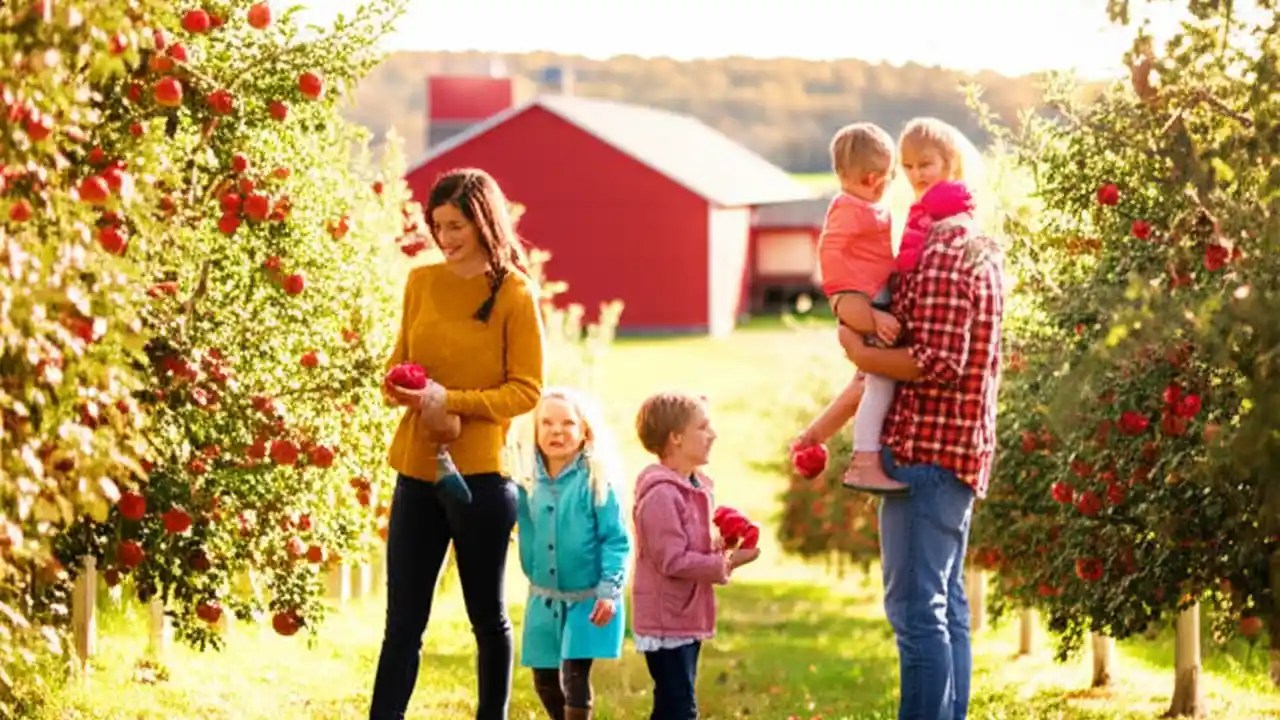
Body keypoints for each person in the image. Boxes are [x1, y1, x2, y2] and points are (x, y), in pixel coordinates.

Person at [799, 116, 1003, 720]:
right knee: (945, 609)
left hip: (926, 455)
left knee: (918, 616)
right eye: (906, 166)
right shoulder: (969, 239)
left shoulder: (942, 248)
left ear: (953, 164)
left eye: (924, 165)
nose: (912, 178)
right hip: (957, 451)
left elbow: (939, 361)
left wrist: (861, 347)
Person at [371, 167, 545, 720]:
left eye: (456, 226)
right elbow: (394, 368)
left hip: (482, 479)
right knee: (402, 622)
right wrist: (405, 386)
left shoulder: (515, 293)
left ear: (483, 222)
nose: (444, 238)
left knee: (485, 616)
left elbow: (526, 391)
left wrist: (453, 400)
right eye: (437, 225)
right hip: (417, 471)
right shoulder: (420, 282)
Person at [630, 391, 760, 720]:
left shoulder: (694, 486)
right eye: (703, 427)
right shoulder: (661, 495)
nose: (713, 434)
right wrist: (728, 563)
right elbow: (672, 560)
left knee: (673, 704)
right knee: (680, 706)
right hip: (666, 620)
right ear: (675, 438)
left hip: (684, 615)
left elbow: (690, 547)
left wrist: (723, 543)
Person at [516, 387, 631, 720]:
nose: (557, 431)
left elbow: (615, 540)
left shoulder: (596, 480)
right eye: (547, 423)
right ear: (535, 431)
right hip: (544, 598)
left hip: (588, 599)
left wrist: (609, 591)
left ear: (585, 432)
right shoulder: (525, 480)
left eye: (568, 423)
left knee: (574, 675)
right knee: (545, 682)